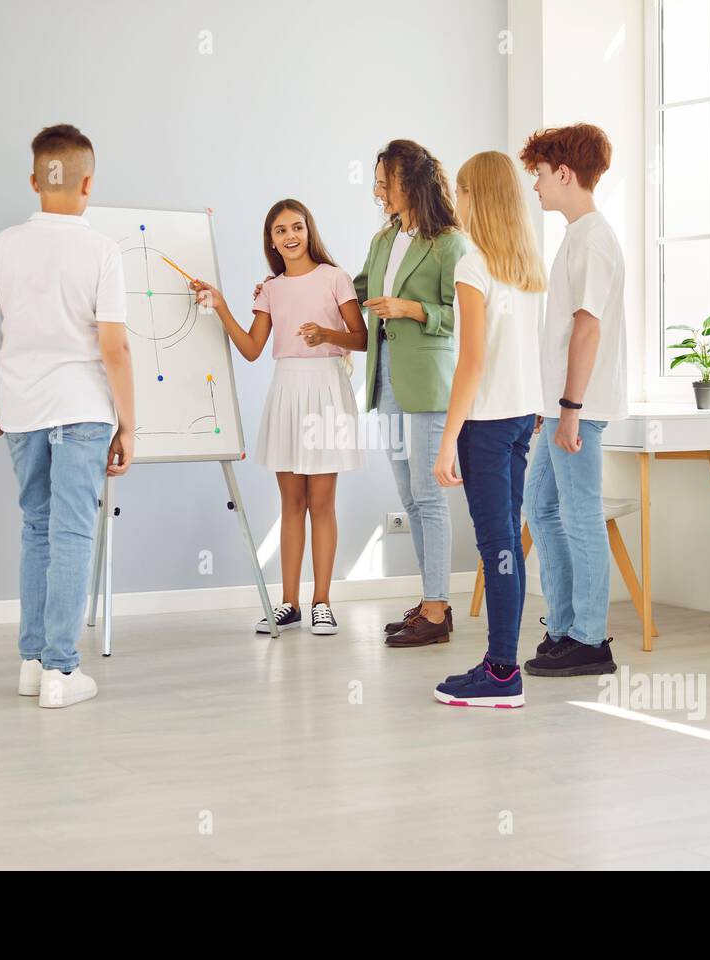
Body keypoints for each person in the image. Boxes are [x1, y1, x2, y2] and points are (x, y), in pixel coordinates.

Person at [0, 124, 135, 709]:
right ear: (89, 183)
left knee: (36, 528)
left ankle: (33, 663)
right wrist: (128, 424)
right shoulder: (103, 250)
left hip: (22, 409)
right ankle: (62, 670)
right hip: (83, 410)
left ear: (35, 181)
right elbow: (115, 348)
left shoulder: (3, 244)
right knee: (73, 533)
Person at [193, 199, 366, 635]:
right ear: (270, 240)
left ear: (310, 231)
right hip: (287, 389)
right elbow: (252, 350)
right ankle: (289, 603)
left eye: (297, 227)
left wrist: (325, 334)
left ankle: (322, 601)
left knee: (322, 502)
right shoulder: (270, 289)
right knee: (291, 504)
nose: (290, 236)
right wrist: (221, 306)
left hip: (327, 388)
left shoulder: (336, 277)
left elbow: (361, 339)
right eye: (280, 231)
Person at [430, 150, 546, 708]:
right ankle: (503, 663)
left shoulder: (473, 264)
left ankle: (501, 673)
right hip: (523, 415)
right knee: (508, 547)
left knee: (497, 544)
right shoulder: (524, 265)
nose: (458, 202)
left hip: (488, 422)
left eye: (463, 191)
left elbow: (471, 361)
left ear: (478, 196)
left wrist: (448, 437)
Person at [518, 124, 628, 678]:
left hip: (578, 406)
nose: (534, 186)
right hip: (560, 405)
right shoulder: (577, 235)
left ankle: (590, 640)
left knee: (580, 516)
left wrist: (570, 409)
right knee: (539, 508)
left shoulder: (593, 238)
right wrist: (550, 407)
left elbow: (588, 329)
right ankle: (562, 628)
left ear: (563, 173)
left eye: (538, 174)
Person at [354, 140, 468, 647]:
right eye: (377, 180)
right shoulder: (385, 239)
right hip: (387, 381)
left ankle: (438, 608)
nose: (379, 190)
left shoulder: (448, 243)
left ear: (410, 182)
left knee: (428, 496)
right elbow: (357, 288)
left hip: (426, 383)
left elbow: (459, 317)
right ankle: (430, 602)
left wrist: (413, 310)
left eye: (385, 181)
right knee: (409, 496)